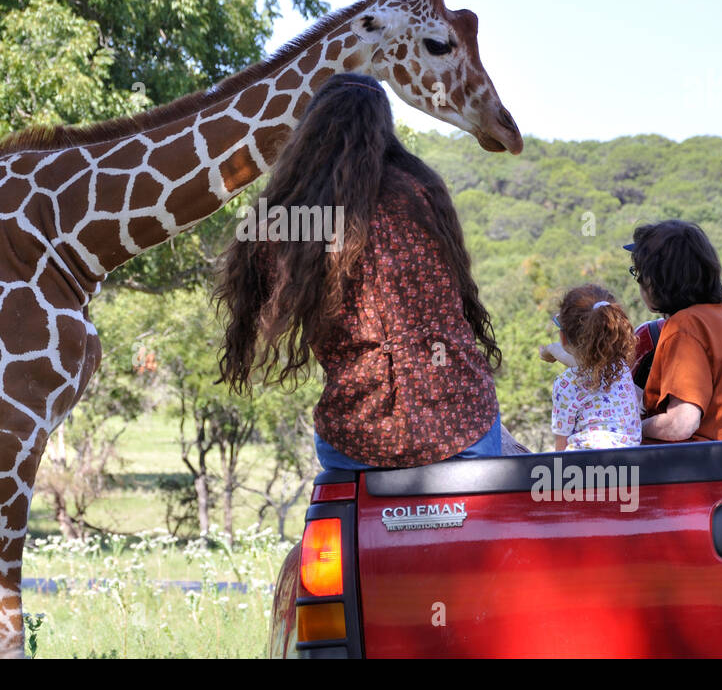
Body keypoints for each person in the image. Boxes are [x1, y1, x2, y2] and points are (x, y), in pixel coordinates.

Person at [214, 72, 529, 469]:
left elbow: (255, 271)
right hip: (462, 422)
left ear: (312, 132)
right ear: (383, 130)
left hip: (355, 438)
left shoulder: (294, 218)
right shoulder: (421, 192)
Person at [626, 220, 722, 442]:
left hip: (690, 469)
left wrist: (629, 428)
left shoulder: (685, 327)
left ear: (657, 277)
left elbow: (681, 424)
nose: (640, 281)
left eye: (639, 272)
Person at [539, 285, 642, 451]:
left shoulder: (566, 384)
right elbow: (585, 365)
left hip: (585, 469)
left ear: (563, 338)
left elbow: (561, 444)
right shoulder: (620, 368)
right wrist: (552, 349)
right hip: (629, 464)